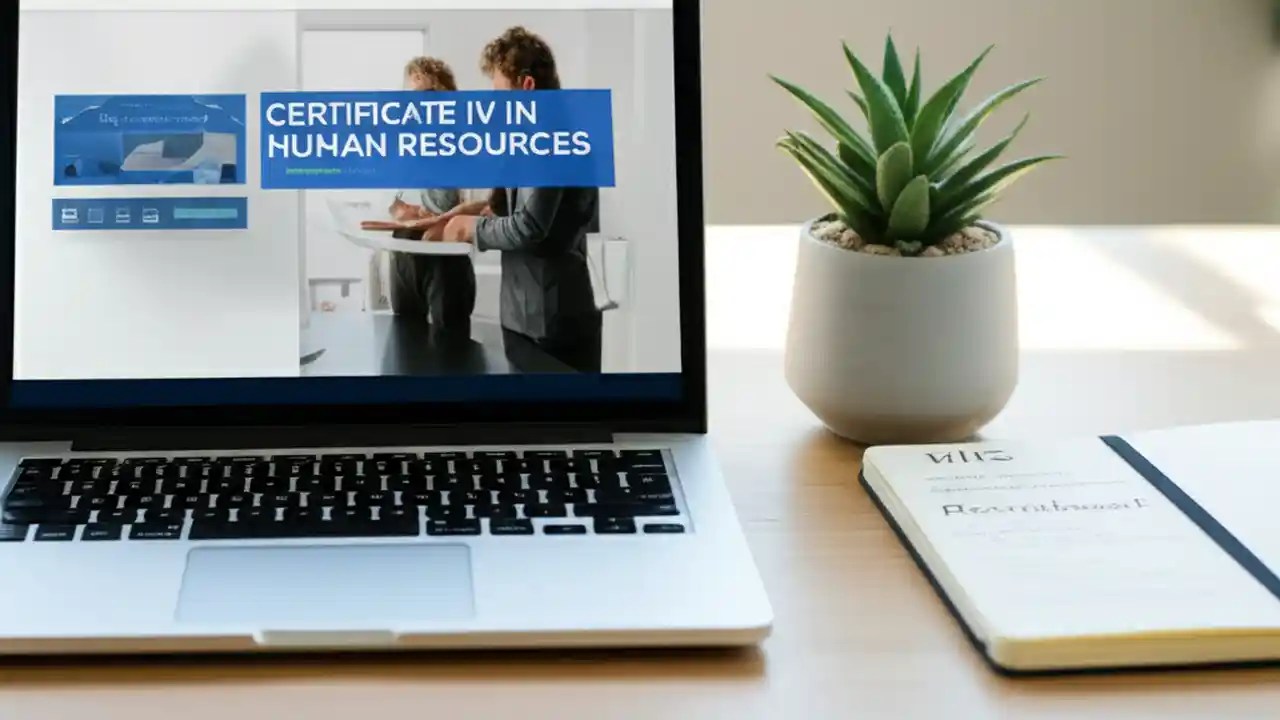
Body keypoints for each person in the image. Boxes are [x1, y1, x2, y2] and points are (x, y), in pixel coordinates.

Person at [420, 27, 603, 373]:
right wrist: (456, 214)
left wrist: (467, 230)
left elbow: (530, 226)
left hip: (551, 323)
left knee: (560, 425)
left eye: (500, 92)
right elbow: (504, 208)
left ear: (527, 87)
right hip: (525, 317)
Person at [387, 57, 476, 336]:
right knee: (404, 341)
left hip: (444, 254)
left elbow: (485, 207)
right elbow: (391, 202)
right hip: (405, 250)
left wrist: (441, 218)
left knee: (450, 348)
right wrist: (401, 211)